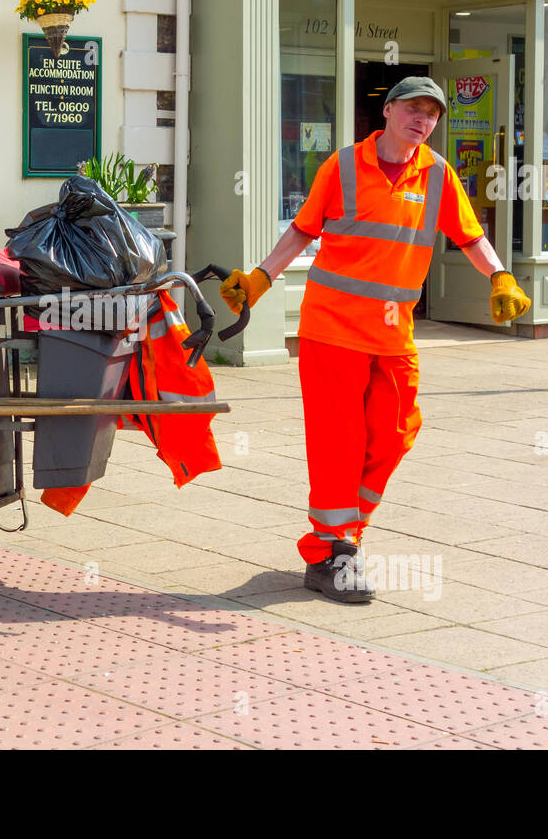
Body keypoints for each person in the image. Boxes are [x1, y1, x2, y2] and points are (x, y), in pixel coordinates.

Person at [220, 76, 531, 603]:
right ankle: (334, 552)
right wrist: (261, 278)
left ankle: (342, 533)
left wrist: (500, 276)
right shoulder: (341, 167)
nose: (423, 120)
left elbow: (470, 236)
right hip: (332, 329)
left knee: (396, 432)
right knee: (337, 442)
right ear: (388, 111)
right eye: (414, 108)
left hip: (393, 333)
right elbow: (302, 229)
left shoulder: (437, 174)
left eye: (433, 114)